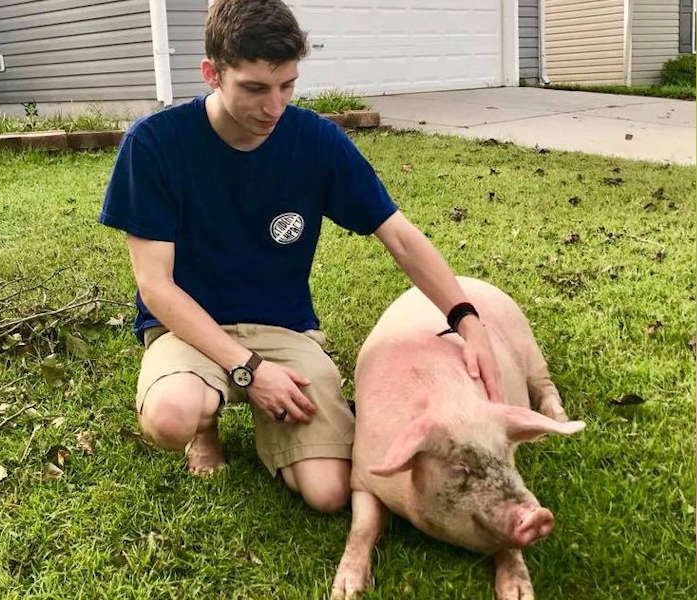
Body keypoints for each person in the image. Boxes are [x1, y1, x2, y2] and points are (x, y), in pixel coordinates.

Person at [99, 0, 502, 513]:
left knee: (329, 494)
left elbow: (400, 236)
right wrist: (248, 369)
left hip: (283, 329)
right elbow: (155, 286)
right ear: (212, 74)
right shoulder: (154, 144)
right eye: (255, 88)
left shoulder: (316, 141)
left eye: (287, 86)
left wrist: (468, 322)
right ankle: (206, 426)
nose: (274, 106)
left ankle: (274, 421)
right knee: (171, 415)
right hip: (189, 330)